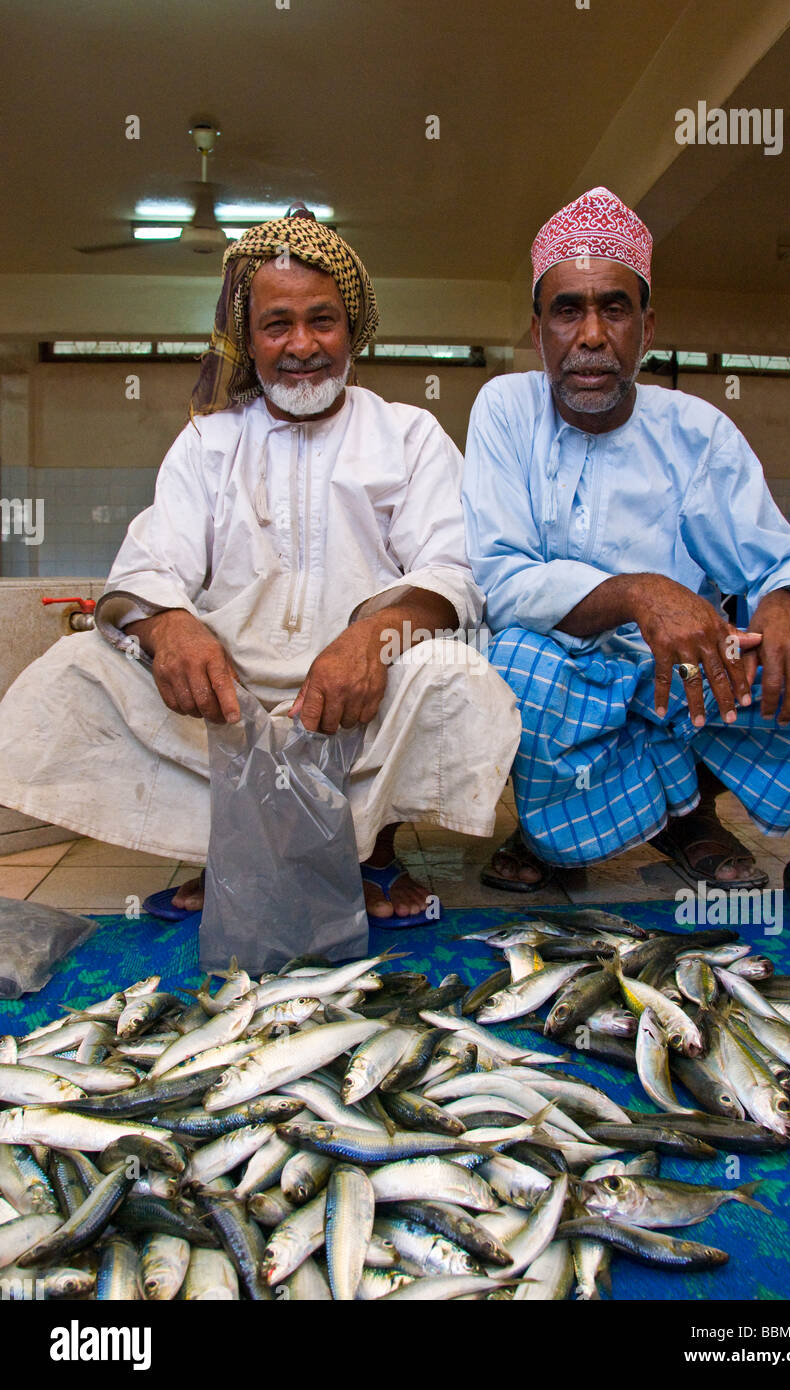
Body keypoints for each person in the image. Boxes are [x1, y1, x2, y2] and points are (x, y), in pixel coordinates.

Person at [0, 210, 520, 927]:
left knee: (460, 678)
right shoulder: (210, 442)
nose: (301, 345)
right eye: (277, 325)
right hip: (225, 700)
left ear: (355, 327)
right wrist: (171, 627)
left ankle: (364, 853)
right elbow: (147, 566)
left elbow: (452, 570)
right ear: (247, 339)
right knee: (72, 673)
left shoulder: (408, 432)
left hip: (358, 695)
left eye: (322, 321)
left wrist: (373, 640)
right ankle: (230, 850)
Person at [462, 187, 790, 894]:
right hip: (569, 679)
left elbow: (780, 557)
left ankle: (689, 813)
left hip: (683, 678)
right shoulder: (505, 408)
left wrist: (786, 603)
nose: (591, 335)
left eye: (612, 309)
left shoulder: (697, 430)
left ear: (645, 328)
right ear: (538, 333)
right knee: (516, 662)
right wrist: (635, 593)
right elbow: (500, 576)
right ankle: (560, 826)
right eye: (568, 310)